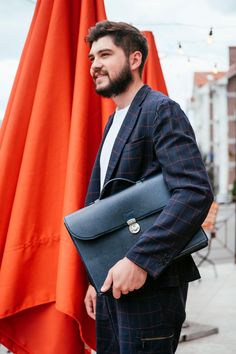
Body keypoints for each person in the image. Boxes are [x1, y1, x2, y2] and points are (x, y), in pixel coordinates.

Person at [84, 20, 213, 354]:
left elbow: (194, 192)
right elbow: (102, 207)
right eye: (91, 57)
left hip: (151, 284)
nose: (95, 64)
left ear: (134, 59)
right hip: (111, 286)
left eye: (105, 54)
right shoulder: (113, 122)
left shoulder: (160, 111)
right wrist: (93, 278)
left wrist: (140, 260)